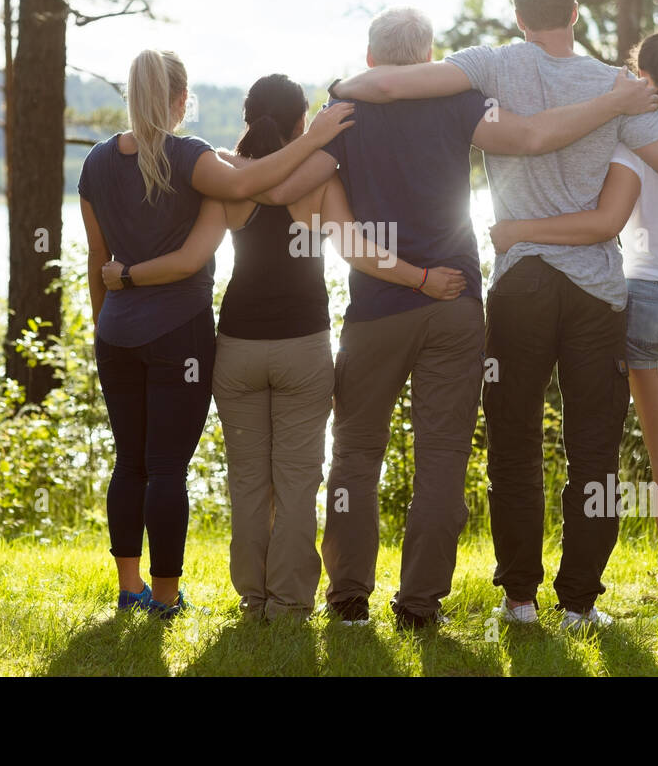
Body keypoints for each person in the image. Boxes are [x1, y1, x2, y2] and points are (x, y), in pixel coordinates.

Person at [331, 0, 658, 629]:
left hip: (522, 281)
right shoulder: (615, 84)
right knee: (594, 450)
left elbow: (393, 85)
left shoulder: (493, 64)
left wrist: (347, 84)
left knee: (514, 443)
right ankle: (581, 603)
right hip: (596, 291)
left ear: (518, 15)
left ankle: (520, 599)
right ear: (577, 14)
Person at [262, 6, 658, 630]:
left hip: (374, 310)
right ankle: (419, 606)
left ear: (371, 62)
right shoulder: (462, 104)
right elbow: (534, 137)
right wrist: (612, 105)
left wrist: (314, 136)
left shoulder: (345, 117)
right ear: (431, 61)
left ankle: (348, 601)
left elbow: (281, 193)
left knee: (355, 456)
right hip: (453, 302)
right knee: (443, 459)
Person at [103, 73, 464, 621]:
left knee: (248, 480)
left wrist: (126, 274)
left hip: (237, 347)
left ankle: (253, 599)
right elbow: (356, 250)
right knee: (298, 482)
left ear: (249, 118)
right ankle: (290, 603)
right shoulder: (319, 180)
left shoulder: (229, 180)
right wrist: (421, 279)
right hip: (303, 346)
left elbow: (195, 253)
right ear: (303, 123)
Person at [491, 29, 658, 622]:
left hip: (655, 301)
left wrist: (518, 230)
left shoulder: (633, 139)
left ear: (645, 78)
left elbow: (606, 220)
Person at [79, 49, 352, 619]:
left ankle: (182, 592)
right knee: (218, 473)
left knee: (162, 467)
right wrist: (325, 141)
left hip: (173, 338)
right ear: (181, 100)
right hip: (233, 338)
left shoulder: (121, 165)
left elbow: (104, 257)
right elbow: (248, 208)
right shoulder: (207, 160)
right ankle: (225, 598)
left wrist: (114, 299)